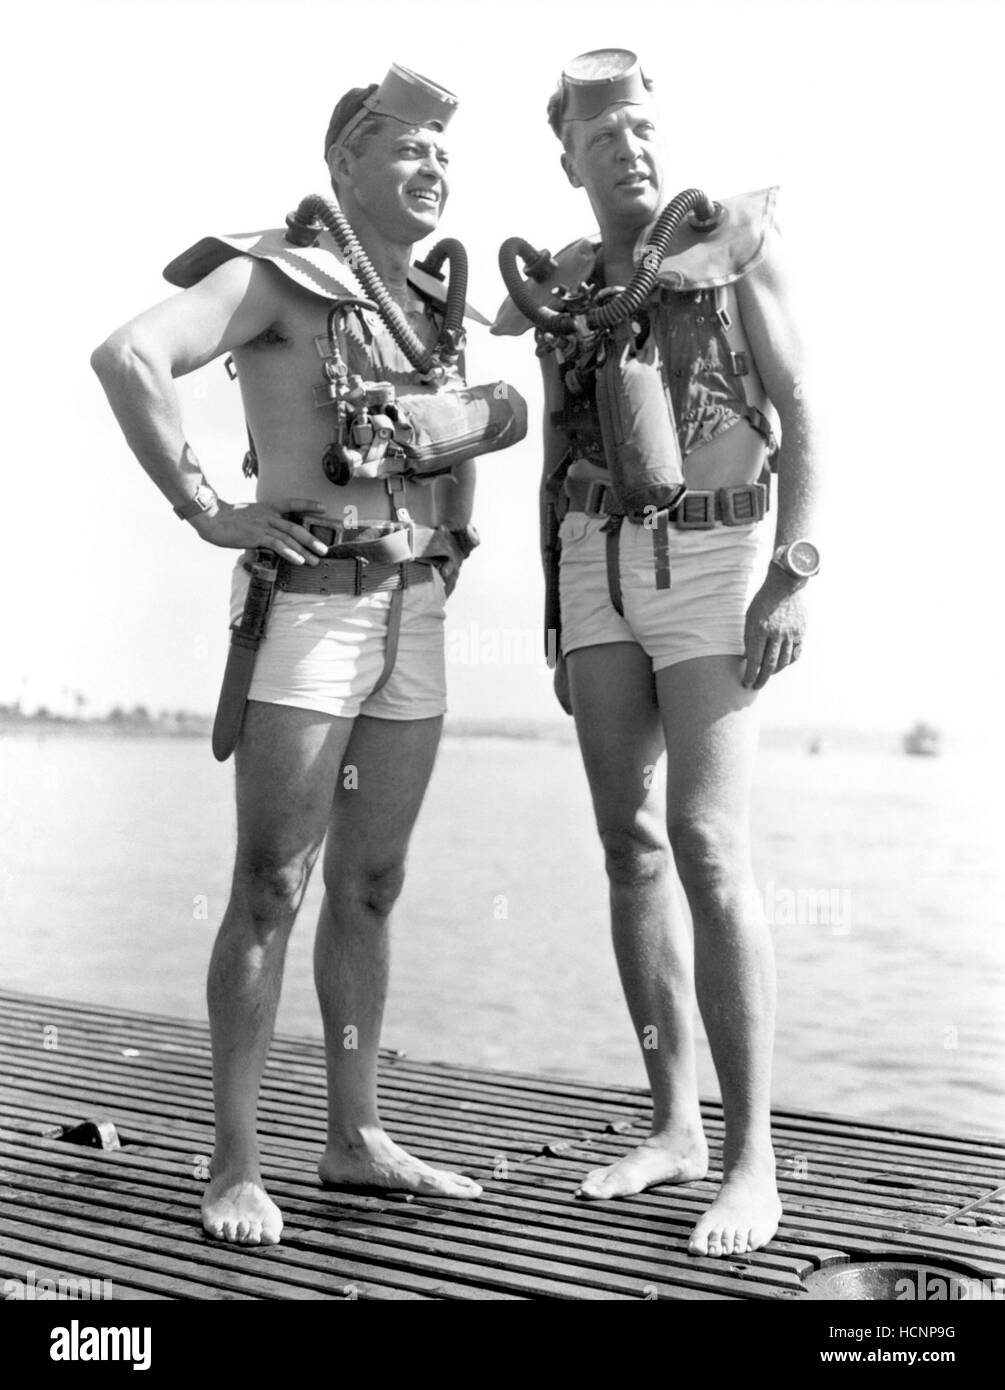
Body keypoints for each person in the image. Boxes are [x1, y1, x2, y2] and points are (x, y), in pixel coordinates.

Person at [91, 64, 523, 1246]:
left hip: (415, 614)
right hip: (309, 608)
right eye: (403, 148)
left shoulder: (434, 306)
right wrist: (205, 508)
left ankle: (352, 1135)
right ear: (341, 163)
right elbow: (127, 355)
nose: (431, 167)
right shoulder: (277, 273)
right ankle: (235, 1161)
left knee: (372, 887)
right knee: (272, 884)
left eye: (444, 154)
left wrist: (451, 548)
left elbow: (468, 440)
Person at [493, 49, 821, 1258]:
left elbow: (804, 408)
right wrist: (549, 600)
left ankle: (753, 1160)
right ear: (568, 155)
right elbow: (548, 450)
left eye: (641, 126)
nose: (627, 146)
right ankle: (673, 1124)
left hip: (719, 561)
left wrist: (795, 571)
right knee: (628, 843)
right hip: (593, 565)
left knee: (707, 842)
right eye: (601, 133)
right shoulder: (568, 284)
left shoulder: (731, 245)